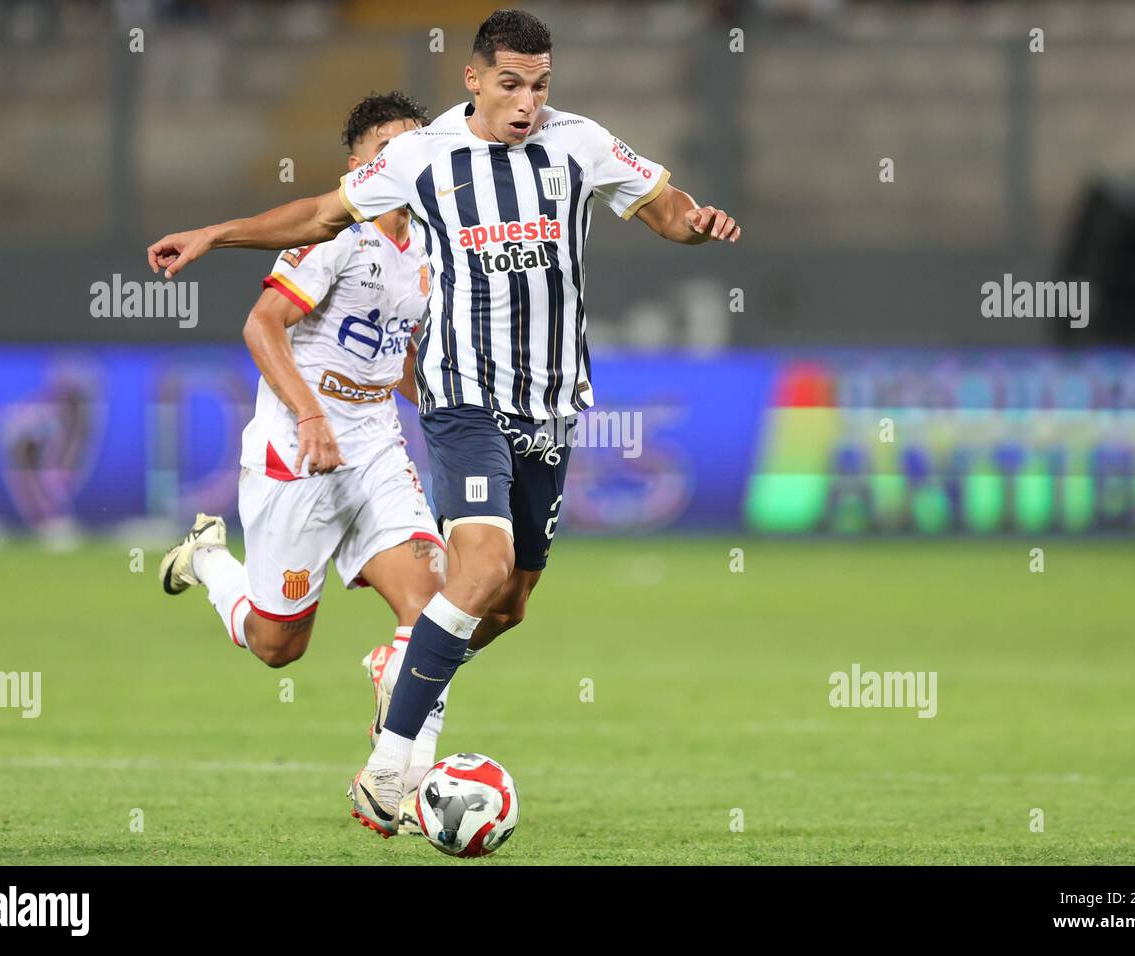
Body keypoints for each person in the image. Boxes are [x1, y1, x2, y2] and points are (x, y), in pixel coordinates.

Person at [147, 9, 740, 838]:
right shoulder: (420, 164)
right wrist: (215, 233)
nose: (527, 103)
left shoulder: (580, 143)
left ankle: (404, 667)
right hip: (444, 407)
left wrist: (695, 222)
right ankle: (391, 768)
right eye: (510, 84)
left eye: (539, 85)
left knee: (504, 601)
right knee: (333, 624)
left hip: (540, 406)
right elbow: (316, 220)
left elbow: (662, 206)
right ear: (473, 78)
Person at [156, 92, 453, 822]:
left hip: (377, 448)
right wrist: (312, 414)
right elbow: (263, 326)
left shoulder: (431, 246)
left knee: (437, 603)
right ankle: (208, 561)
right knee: (277, 645)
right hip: (299, 456)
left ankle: (398, 780)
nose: (405, 163)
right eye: (388, 150)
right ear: (358, 167)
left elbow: (395, 357)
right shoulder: (337, 235)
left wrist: (447, 416)